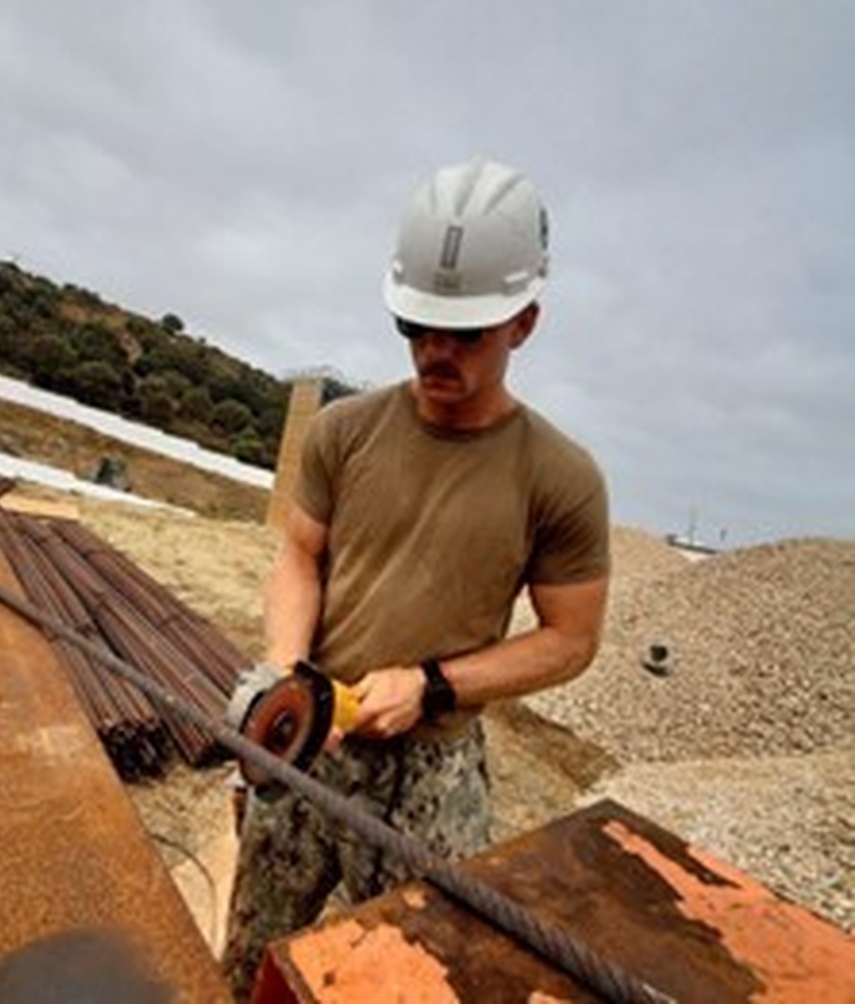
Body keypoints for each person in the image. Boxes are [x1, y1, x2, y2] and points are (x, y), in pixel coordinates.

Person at [221, 157, 610, 1000]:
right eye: (416, 326)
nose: (435, 352)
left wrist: (434, 685)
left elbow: (571, 640)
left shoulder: (559, 477)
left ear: (524, 324)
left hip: (433, 769)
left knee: (408, 976)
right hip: (312, 744)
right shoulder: (342, 432)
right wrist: (289, 669)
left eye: (465, 334)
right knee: (254, 959)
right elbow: (300, 556)